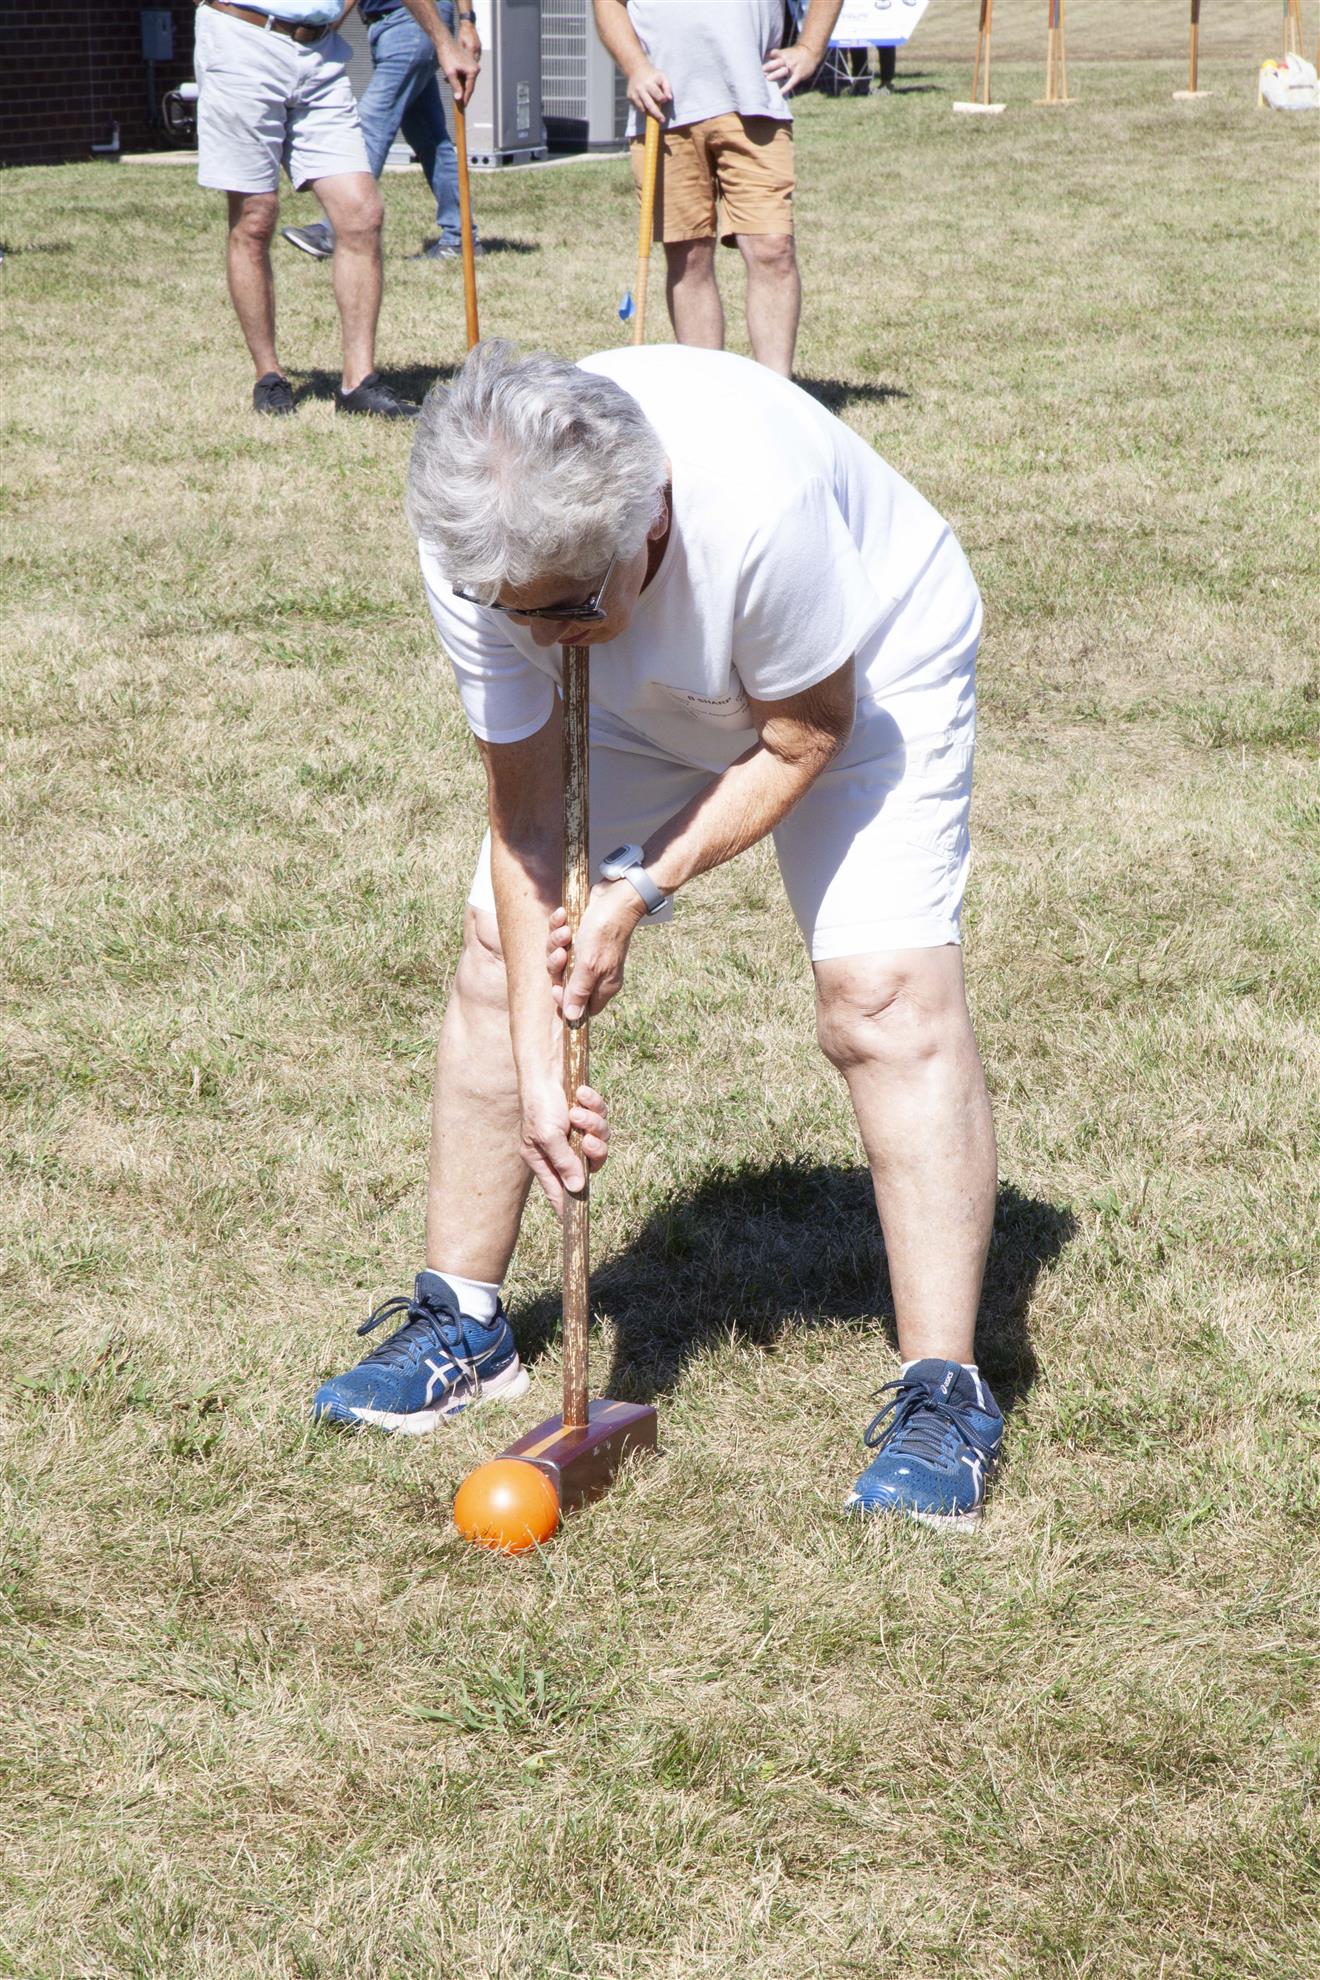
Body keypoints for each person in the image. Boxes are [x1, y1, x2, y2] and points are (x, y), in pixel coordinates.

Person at [313, 340, 1007, 1529]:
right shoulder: (486, 543)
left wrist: (640, 887)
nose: (539, 637)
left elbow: (804, 732)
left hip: (862, 665)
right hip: (645, 666)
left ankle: (947, 1392)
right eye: (516, 615)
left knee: (882, 996)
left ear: (648, 520)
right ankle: (461, 1321)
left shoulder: (761, 511)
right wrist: (540, 1068)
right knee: (498, 953)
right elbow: (530, 823)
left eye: (564, 609)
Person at [591, 0, 845, 376]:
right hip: (665, 107)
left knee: (772, 248)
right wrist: (636, 67)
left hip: (753, 99)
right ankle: (708, 390)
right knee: (689, 255)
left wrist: (810, 48)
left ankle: (776, 392)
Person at [194, 0, 418, 416]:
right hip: (241, 40)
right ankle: (269, 376)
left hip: (320, 54)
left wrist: (449, 38)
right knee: (255, 216)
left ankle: (358, 385)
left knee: (361, 213)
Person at [282, 0, 481, 265]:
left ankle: (333, 229)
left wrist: (467, 21)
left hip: (412, 23)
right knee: (430, 138)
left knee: (370, 126)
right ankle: (461, 237)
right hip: (394, 27)